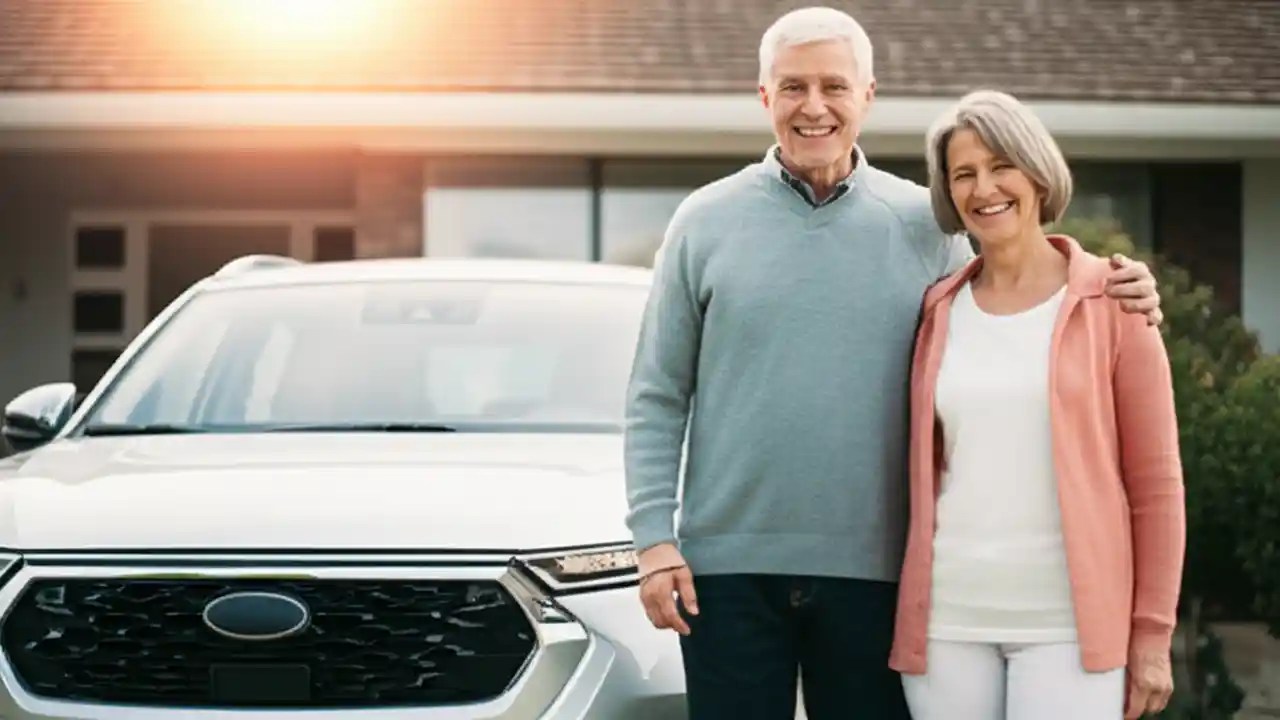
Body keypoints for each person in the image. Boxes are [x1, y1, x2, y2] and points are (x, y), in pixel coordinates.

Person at [623, 7, 1163, 719]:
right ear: (764, 98)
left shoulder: (929, 226)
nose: (813, 107)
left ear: (867, 95)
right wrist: (654, 542)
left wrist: (1121, 288)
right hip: (724, 576)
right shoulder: (703, 221)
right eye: (792, 88)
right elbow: (657, 396)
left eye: (833, 87)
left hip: (879, 577)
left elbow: (1013, 322)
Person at [888, 89, 1186, 720]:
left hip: (1070, 629)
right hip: (949, 625)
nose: (984, 188)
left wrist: (1153, 635)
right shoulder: (937, 311)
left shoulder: (1115, 300)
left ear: (1037, 172)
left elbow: (1157, 486)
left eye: (1001, 166)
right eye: (963, 174)